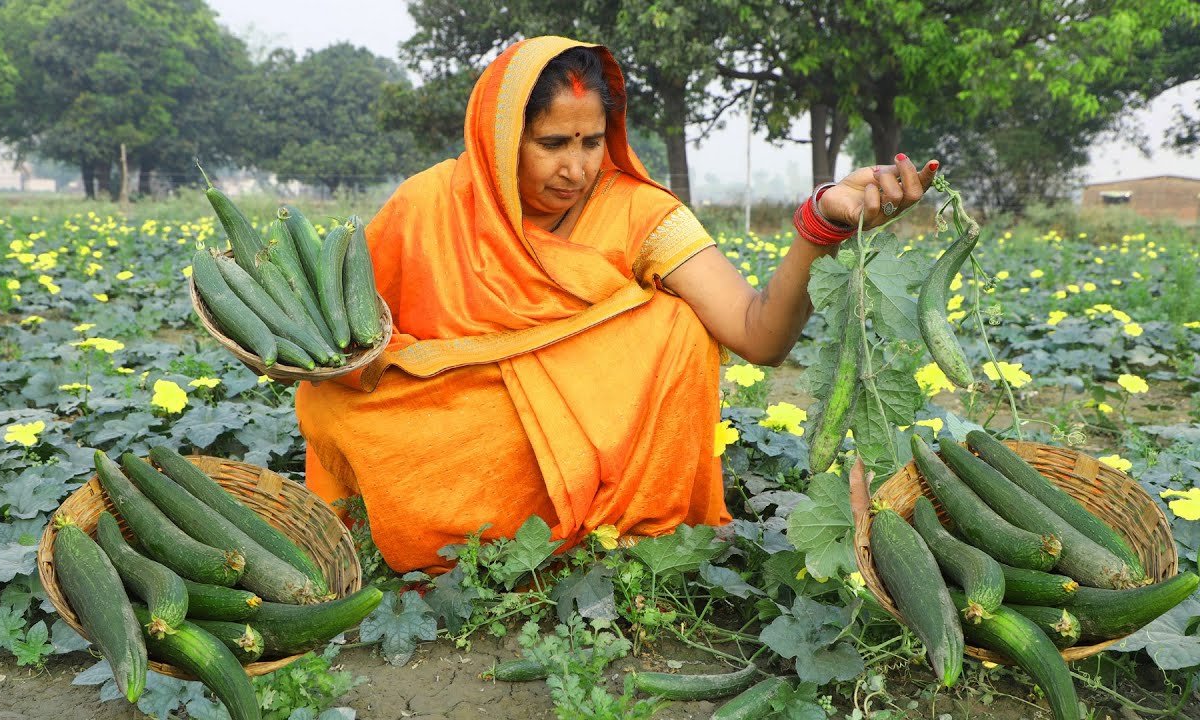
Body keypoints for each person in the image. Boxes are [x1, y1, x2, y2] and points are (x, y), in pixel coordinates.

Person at [295, 36, 937, 574]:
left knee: (678, 324)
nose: (576, 168)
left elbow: (758, 334)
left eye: (592, 142)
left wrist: (819, 223)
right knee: (329, 403)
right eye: (552, 144)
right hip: (469, 432)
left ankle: (611, 527)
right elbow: (352, 342)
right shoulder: (428, 205)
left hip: (602, 463)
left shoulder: (638, 212)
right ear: (499, 140)